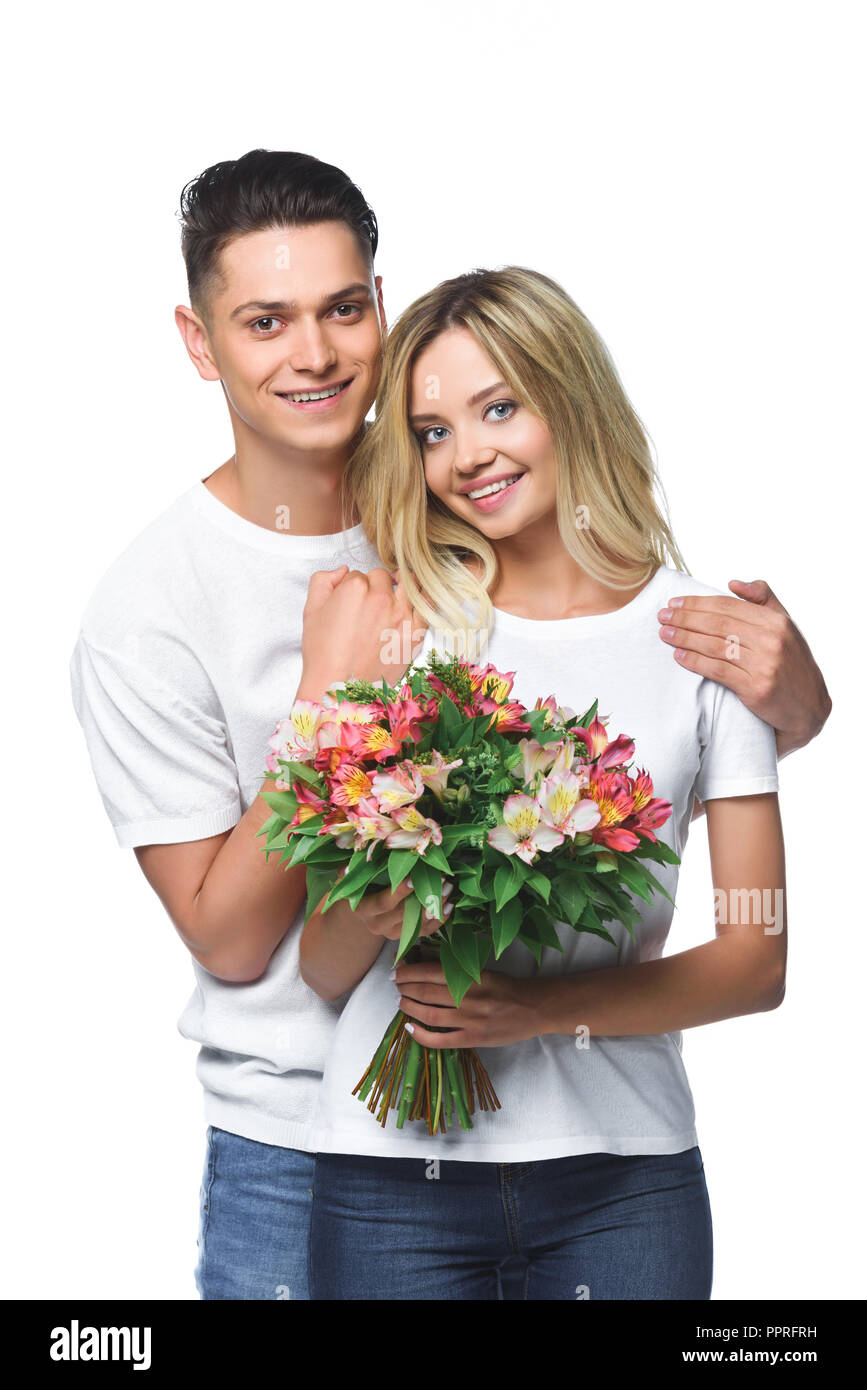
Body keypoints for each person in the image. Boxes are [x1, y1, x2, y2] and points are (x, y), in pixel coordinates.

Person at [68, 150, 830, 1301]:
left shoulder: (453, 538)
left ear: (380, 305)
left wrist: (796, 693)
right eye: (264, 320)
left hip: (599, 1154)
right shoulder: (154, 610)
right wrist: (331, 713)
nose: (313, 353)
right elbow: (238, 942)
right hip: (299, 1127)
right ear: (199, 339)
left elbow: (673, 728)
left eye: (339, 309)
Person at [297, 266, 795, 1300]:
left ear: (571, 399)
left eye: (499, 407)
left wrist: (534, 1011)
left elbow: (756, 957)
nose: (466, 455)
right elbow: (319, 962)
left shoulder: (710, 643)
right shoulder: (400, 628)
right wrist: (381, 902)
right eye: (432, 431)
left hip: (625, 1181)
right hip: (391, 1176)